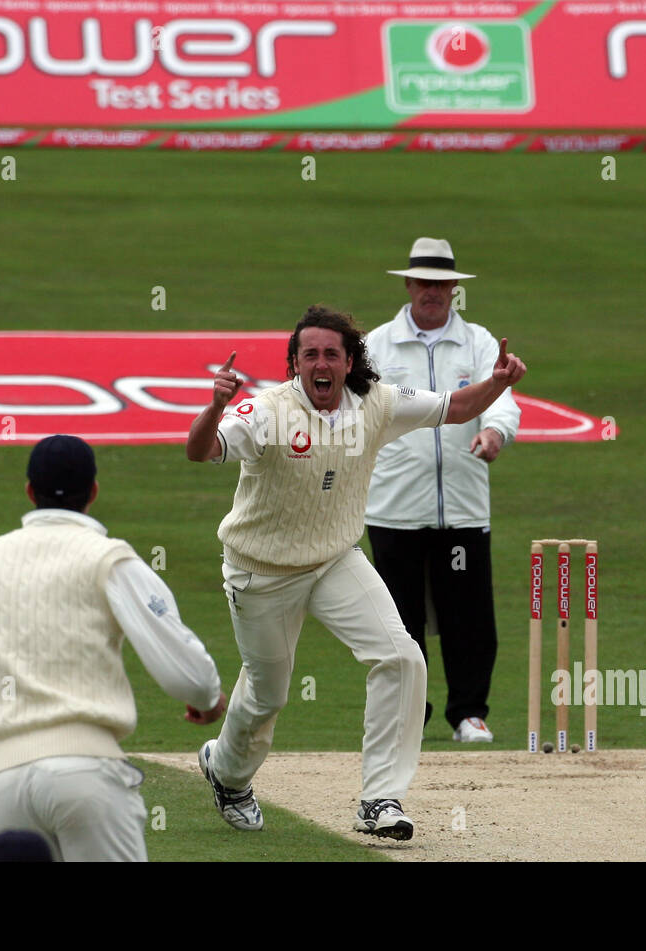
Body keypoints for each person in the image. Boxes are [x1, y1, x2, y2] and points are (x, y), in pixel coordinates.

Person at [185, 305, 525, 841]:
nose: (321, 364)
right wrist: (214, 407)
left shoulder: (378, 402)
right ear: (295, 363)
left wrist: (496, 383)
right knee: (267, 695)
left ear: (349, 362)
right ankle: (227, 773)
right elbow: (200, 451)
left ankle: (379, 799)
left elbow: (456, 408)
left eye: (332, 354)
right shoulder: (266, 410)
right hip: (260, 571)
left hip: (334, 560)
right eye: (310, 354)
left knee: (401, 656)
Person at [0, 434, 226, 862]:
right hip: (86, 773)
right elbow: (185, 672)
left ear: (29, 492)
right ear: (93, 492)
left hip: (3, 780)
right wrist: (206, 697)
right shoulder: (109, 558)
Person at [365, 237, 521, 743]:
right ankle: (411, 716)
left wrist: (495, 432)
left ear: (455, 288)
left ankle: (469, 714)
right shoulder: (377, 346)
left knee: (468, 616)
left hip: (462, 508)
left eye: (441, 283)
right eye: (423, 282)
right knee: (399, 621)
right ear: (409, 284)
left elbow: (501, 398)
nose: (432, 291)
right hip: (393, 508)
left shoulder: (476, 341)